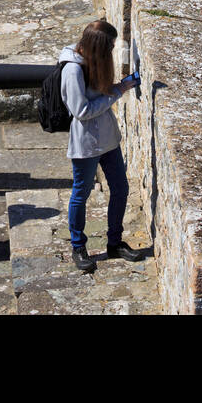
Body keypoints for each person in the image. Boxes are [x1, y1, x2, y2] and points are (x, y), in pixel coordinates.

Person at [59, 19, 143, 273]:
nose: (112, 51)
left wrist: (119, 87)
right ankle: (78, 247)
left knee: (120, 189)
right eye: (110, 47)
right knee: (80, 194)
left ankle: (115, 242)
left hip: (108, 139)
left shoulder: (92, 62)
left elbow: (100, 95)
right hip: (86, 143)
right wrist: (117, 92)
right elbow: (81, 111)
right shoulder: (72, 70)